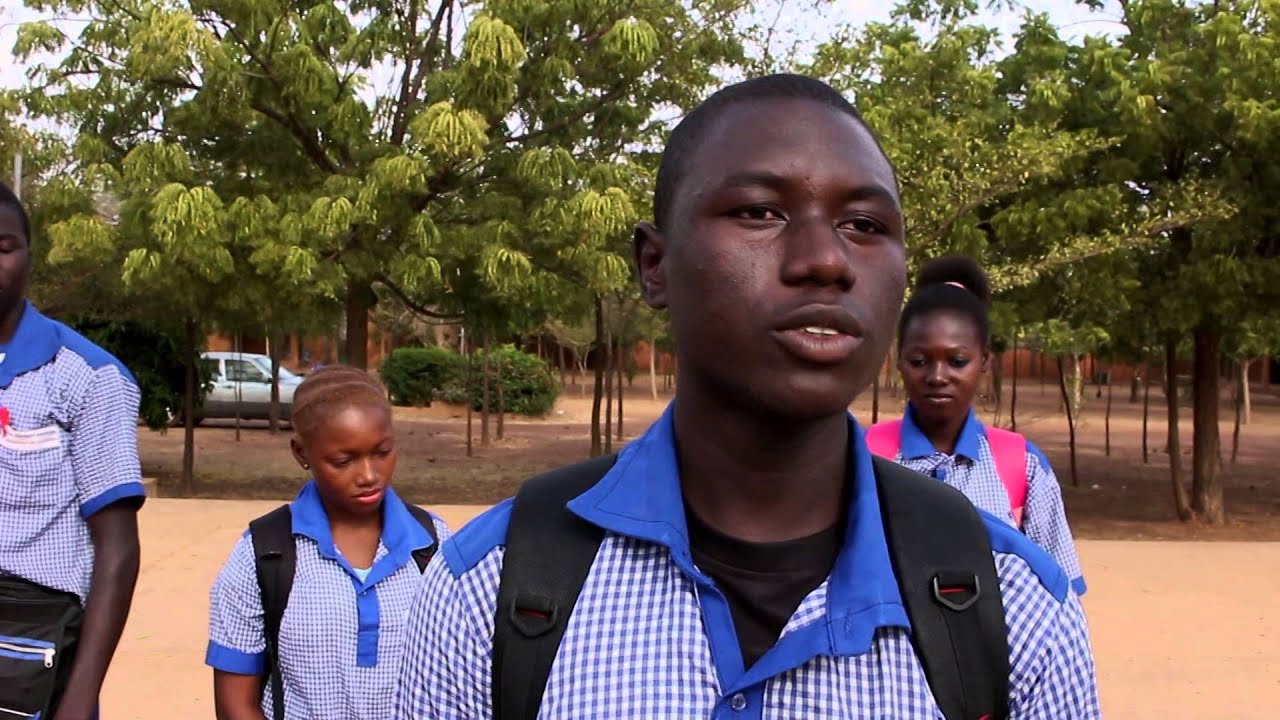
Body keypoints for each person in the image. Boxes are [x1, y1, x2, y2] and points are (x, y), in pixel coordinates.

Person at [394, 74, 1098, 718]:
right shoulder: (490, 592)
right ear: (655, 265)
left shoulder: (1015, 609)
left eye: (864, 225)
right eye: (761, 212)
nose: (825, 260)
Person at [206, 365, 449, 720]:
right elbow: (236, 704)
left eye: (382, 452)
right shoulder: (264, 554)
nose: (368, 475)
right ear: (301, 453)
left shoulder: (434, 545)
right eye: (343, 460)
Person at [0, 181, 145, 720]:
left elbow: (118, 551)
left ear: (29, 257)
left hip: (29, 639)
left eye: (4, 248)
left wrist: (80, 697)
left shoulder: (89, 377)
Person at [869, 255, 1086, 595]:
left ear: (984, 360)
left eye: (957, 361)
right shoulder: (862, 458)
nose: (937, 376)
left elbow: (1062, 595)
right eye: (919, 361)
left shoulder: (1022, 467)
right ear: (898, 360)